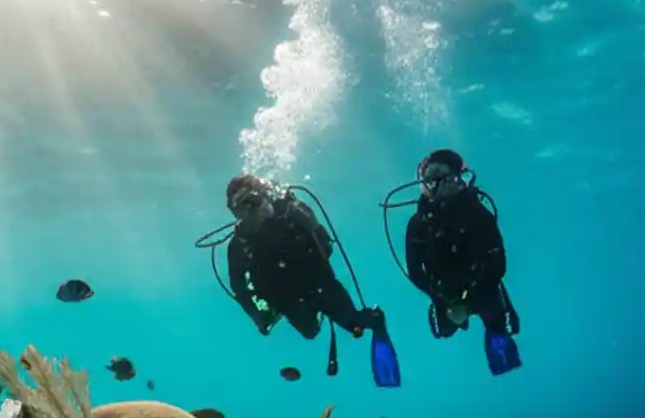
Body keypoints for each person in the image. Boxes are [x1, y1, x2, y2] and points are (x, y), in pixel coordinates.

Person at [223, 174, 400, 387]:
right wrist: (256, 314)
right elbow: (238, 287)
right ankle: (323, 316)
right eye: (242, 208)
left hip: (320, 284)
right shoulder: (239, 245)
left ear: (264, 196)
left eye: (253, 202)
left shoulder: (291, 211)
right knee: (310, 332)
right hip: (287, 301)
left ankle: (376, 321)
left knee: (354, 326)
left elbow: (325, 245)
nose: (251, 212)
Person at [404, 149, 521, 375]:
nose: (433, 184)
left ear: (456, 179)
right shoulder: (418, 224)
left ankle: (506, 373)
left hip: (482, 286)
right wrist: (441, 298)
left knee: (498, 329)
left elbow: (498, 265)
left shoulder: (476, 213)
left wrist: (469, 298)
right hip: (444, 292)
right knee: (443, 332)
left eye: (441, 177)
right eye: (428, 178)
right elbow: (415, 271)